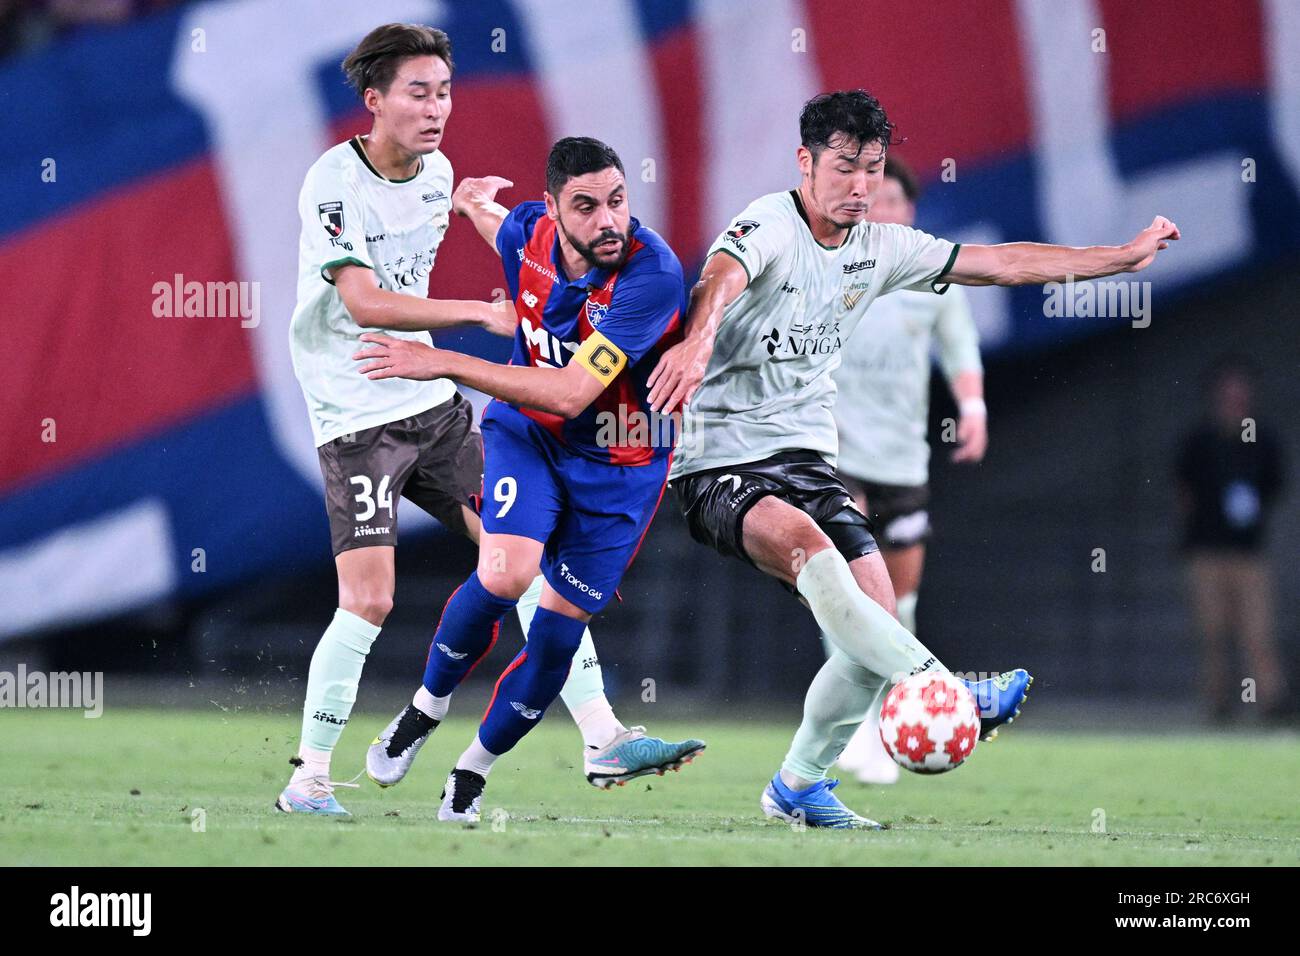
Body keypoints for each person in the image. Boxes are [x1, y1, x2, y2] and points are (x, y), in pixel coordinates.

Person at [648, 89, 1180, 828]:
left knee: (873, 629)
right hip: (719, 464)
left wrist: (1118, 258)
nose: (861, 185)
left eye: (871, 168)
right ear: (805, 163)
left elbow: (1002, 264)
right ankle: (943, 687)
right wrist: (700, 340)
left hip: (806, 460)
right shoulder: (768, 222)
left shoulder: (884, 247)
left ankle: (798, 784)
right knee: (813, 554)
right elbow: (720, 280)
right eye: (844, 167)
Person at [276, 26, 698, 817]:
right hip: (353, 406)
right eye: (418, 92)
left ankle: (601, 730)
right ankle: (308, 777)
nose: (437, 108)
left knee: (519, 565)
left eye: (444, 91)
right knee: (368, 600)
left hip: (430, 401)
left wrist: (477, 216)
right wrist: (479, 314)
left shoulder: (439, 175)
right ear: (374, 101)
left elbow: (518, 243)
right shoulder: (332, 182)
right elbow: (364, 302)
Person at [352, 136, 703, 821]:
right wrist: (472, 204)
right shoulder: (525, 232)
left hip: (624, 466)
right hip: (529, 439)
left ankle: (471, 770)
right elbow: (498, 227)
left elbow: (572, 392)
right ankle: (424, 710)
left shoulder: (648, 275)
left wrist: (443, 363)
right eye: (587, 206)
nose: (609, 220)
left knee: (555, 637)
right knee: (508, 573)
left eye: (618, 201)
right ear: (551, 209)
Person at [827, 155, 987, 785]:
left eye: (894, 201)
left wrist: (972, 406)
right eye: (875, 200)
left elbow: (961, 347)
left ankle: (894, 718)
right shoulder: (836, 268)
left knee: (901, 605)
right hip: (838, 460)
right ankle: (854, 731)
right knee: (849, 595)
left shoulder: (932, 278)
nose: (883, 210)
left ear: (909, 211)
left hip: (904, 463)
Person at [1175, 356, 1290, 723]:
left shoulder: (1263, 439)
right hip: (1207, 553)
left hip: (1248, 553)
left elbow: (1275, 486)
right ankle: (1218, 703)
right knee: (1212, 633)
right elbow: (1183, 493)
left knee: (1258, 633)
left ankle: (1270, 703)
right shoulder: (1198, 442)